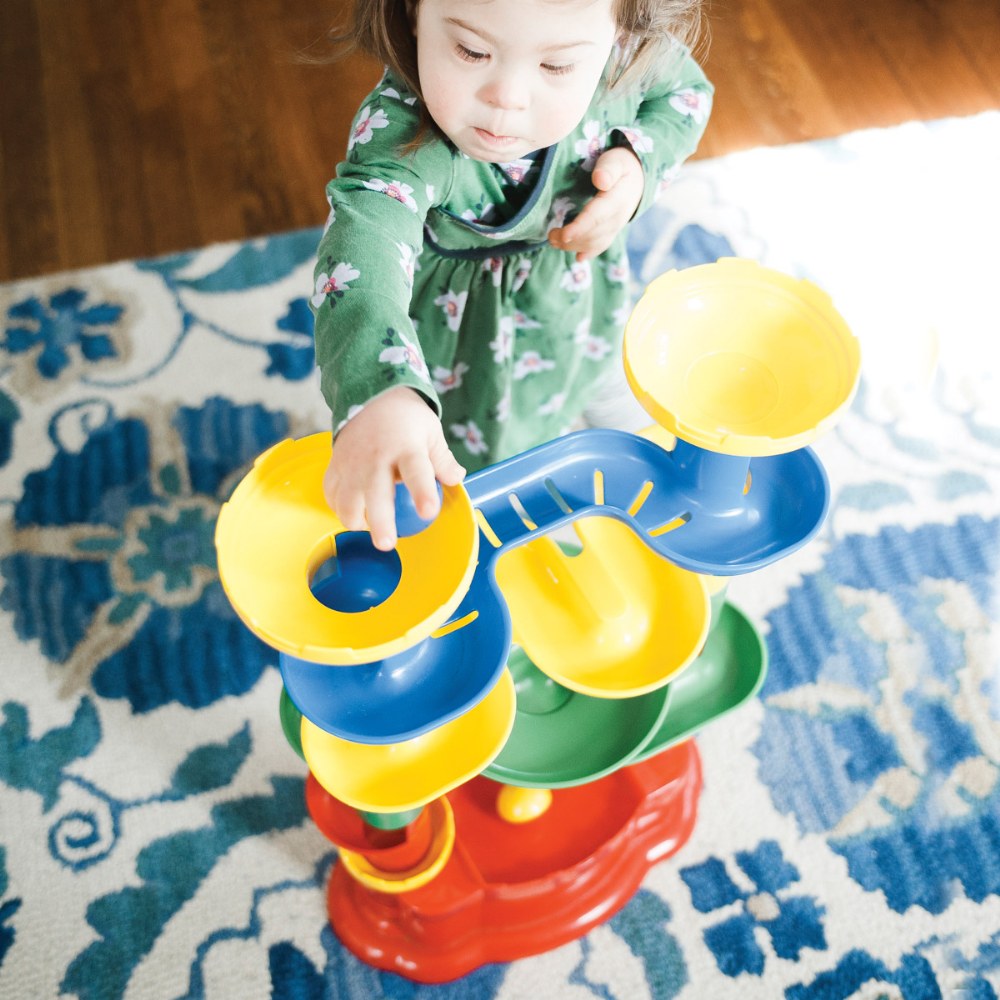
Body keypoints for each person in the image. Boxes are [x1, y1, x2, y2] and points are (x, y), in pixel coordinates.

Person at [311, 0, 712, 550]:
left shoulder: (629, 54)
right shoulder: (403, 136)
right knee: (502, 480)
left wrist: (640, 169)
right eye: (472, 50)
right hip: (475, 365)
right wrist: (381, 394)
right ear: (412, 13)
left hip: (585, 309)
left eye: (556, 67)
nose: (508, 98)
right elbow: (361, 255)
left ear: (621, 30)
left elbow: (685, 97)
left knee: (624, 401)